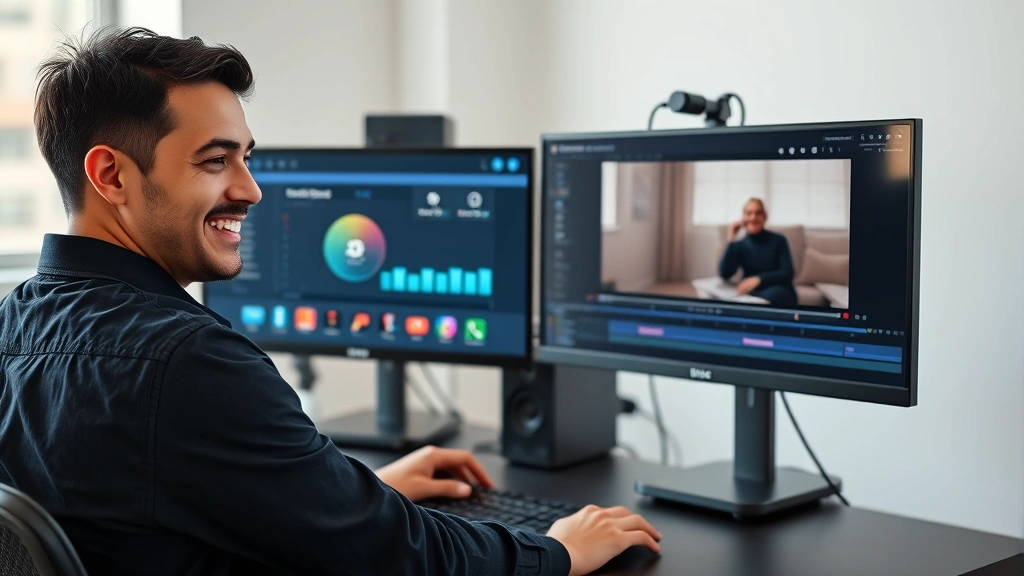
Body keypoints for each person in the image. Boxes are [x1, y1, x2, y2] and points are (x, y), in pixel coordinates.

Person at [0, 28, 660, 576]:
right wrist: (559, 550)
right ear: (111, 175)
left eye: (247, 158)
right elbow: (403, 559)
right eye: (215, 161)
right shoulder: (186, 361)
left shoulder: (10, 324)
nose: (252, 190)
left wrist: (346, 496)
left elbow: (149, 512)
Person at [718, 198, 798, 307]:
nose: (753, 217)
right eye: (749, 213)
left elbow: (787, 273)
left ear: (764, 217)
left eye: (758, 213)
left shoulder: (779, 240)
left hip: (779, 290)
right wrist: (731, 239)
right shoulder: (740, 245)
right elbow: (724, 273)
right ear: (743, 218)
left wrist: (758, 279)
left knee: (776, 295)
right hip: (752, 294)